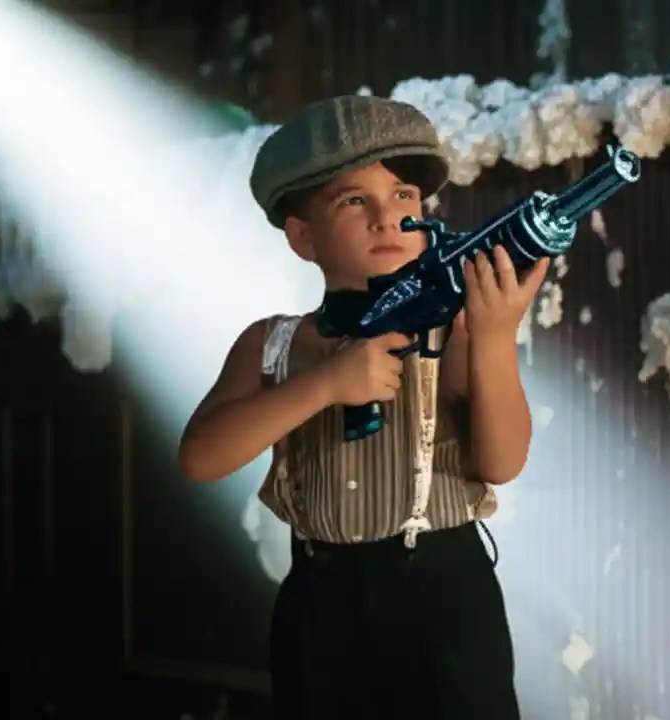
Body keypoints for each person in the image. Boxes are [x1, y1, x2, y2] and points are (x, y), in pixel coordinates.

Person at [177, 94, 548, 719]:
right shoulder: (273, 344)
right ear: (302, 236)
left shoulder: (452, 331)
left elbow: (502, 462)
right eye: (355, 201)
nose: (388, 218)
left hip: (443, 597)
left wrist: (493, 338)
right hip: (321, 603)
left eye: (404, 196)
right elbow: (200, 458)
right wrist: (322, 385)